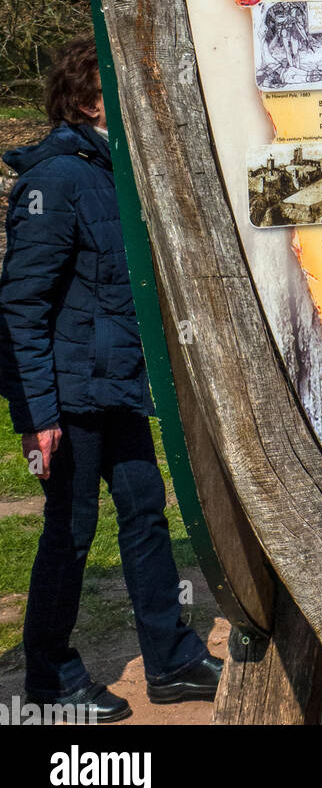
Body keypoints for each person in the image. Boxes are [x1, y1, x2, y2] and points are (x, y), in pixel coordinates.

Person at [0, 37, 222, 722]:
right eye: (119, 90)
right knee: (69, 532)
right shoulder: (58, 179)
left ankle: (172, 659)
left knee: (145, 514)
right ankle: (49, 679)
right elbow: (19, 306)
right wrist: (38, 416)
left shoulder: (109, 171)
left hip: (117, 386)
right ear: (91, 101)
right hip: (66, 400)